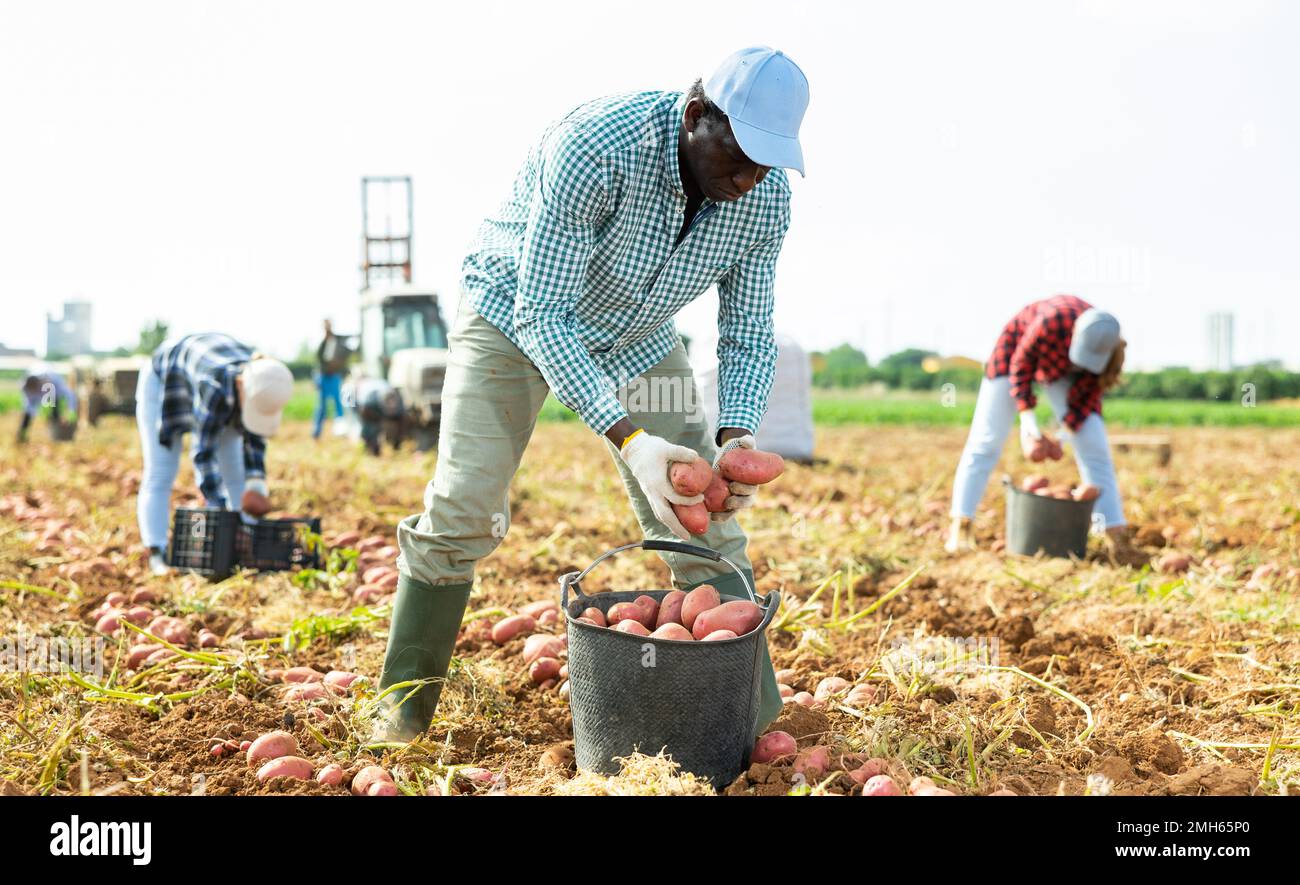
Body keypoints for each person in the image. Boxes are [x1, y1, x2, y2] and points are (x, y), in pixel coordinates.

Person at [375, 47, 810, 741]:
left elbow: (748, 333)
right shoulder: (598, 146)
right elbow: (543, 313)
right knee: (464, 508)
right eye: (741, 154)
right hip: (511, 316)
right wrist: (631, 440)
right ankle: (400, 711)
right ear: (697, 114)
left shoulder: (764, 202)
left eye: (769, 160)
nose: (751, 175)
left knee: (704, 524)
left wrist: (737, 436)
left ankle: (750, 724)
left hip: (637, 334)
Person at [946, 295, 1128, 553]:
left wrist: (1061, 436)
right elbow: (1020, 367)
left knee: (1093, 443)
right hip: (1013, 357)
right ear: (1074, 335)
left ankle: (1113, 530)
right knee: (986, 439)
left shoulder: (1106, 348)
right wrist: (1029, 428)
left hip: (1060, 372)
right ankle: (961, 524)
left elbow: (1085, 399)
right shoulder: (1051, 321)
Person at [136, 333, 293, 575]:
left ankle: (246, 544)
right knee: (161, 470)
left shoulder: (265, 380)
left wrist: (257, 487)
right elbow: (203, 452)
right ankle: (157, 551)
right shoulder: (215, 385)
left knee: (235, 472)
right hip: (164, 381)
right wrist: (217, 514)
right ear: (241, 389)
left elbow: (255, 437)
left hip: (214, 385)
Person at [17, 366, 78, 443]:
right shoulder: (27, 387)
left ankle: (58, 436)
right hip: (43, 394)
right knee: (27, 416)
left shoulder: (54, 381)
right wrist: (34, 413)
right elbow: (29, 406)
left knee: (54, 412)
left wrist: (72, 410)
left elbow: (69, 394)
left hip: (53, 395)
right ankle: (22, 436)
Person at [313, 319, 349, 439]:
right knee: (322, 407)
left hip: (334, 376)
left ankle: (341, 432)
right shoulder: (322, 342)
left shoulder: (337, 340)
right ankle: (316, 433)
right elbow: (319, 359)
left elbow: (345, 354)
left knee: (338, 405)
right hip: (324, 377)